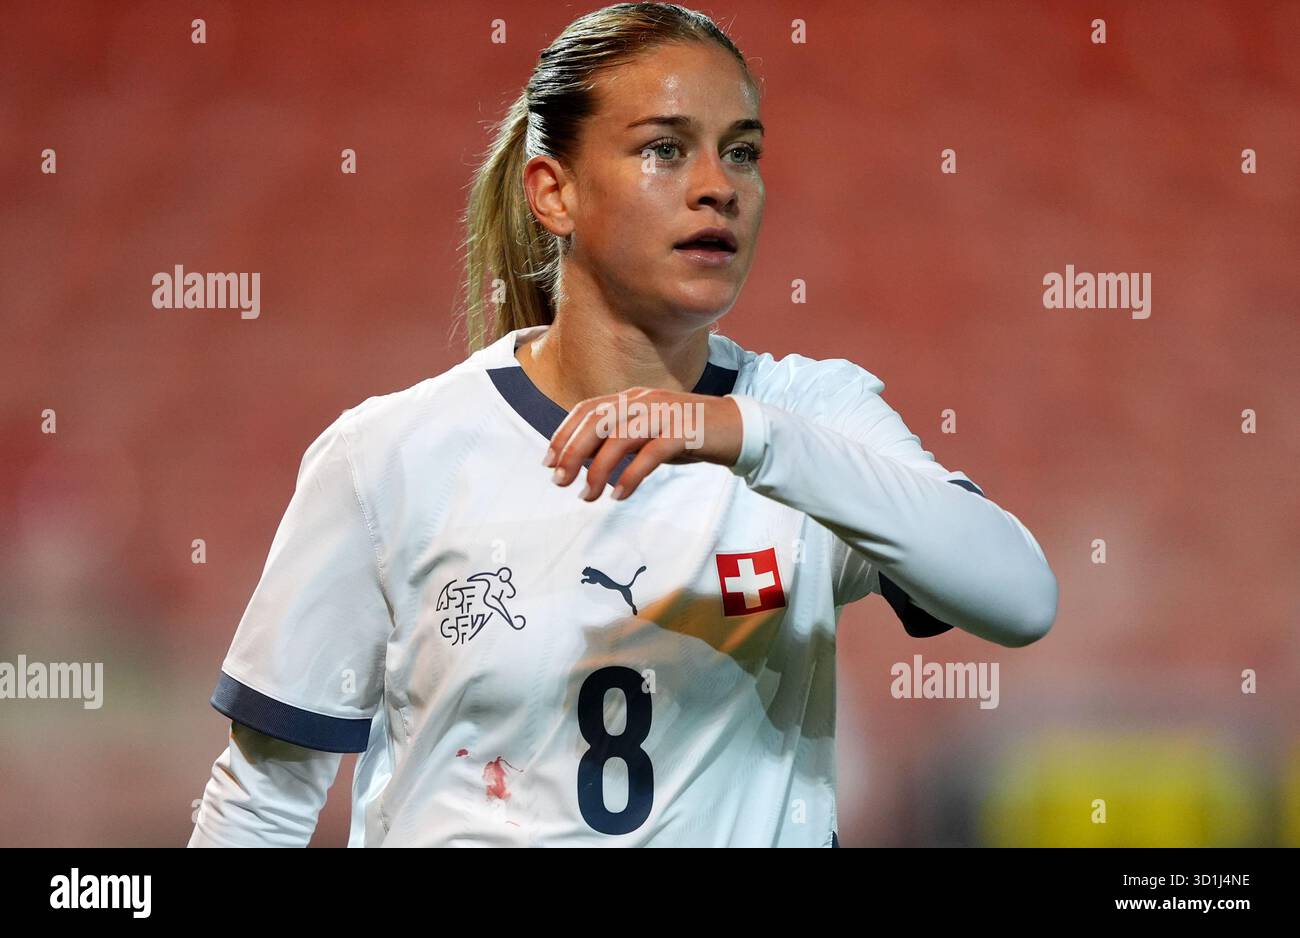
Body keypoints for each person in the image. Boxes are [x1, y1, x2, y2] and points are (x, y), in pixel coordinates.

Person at [188, 2, 1057, 848]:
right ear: (553, 192)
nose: (718, 186)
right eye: (665, 150)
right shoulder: (390, 458)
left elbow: (1019, 599)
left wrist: (747, 437)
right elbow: (263, 801)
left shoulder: (807, 421)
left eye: (742, 152)